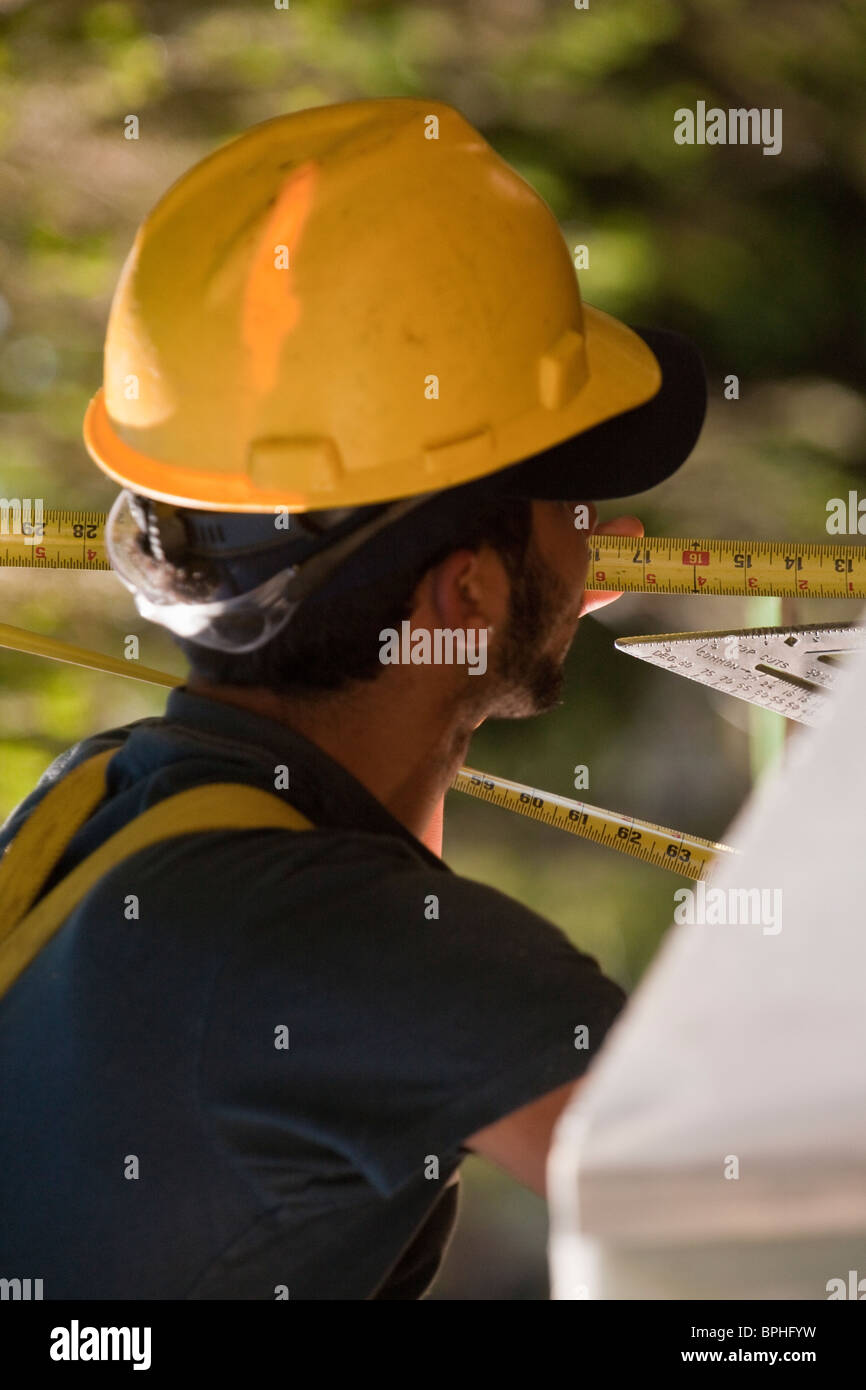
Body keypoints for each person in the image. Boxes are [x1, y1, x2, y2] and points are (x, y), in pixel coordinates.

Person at [0, 99, 706, 1299]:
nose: (604, 534)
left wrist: (473, 640)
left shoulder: (116, 803)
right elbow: (755, 1207)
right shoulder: (331, 941)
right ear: (463, 588)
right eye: (570, 498)